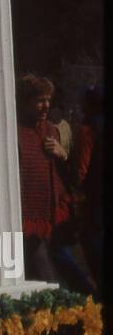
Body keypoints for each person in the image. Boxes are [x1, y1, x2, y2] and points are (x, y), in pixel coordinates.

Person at [16, 74, 93, 292]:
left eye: (48, 100)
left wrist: (62, 154)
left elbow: (69, 175)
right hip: (30, 216)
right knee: (45, 274)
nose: (46, 106)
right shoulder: (15, 131)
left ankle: (84, 305)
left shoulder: (50, 130)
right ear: (26, 101)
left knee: (63, 265)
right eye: (40, 100)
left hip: (55, 214)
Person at [74, 84, 104, 290]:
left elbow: (81, 168)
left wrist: (78, 194)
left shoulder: (89, 129)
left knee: (90, 237)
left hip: (95, 195)